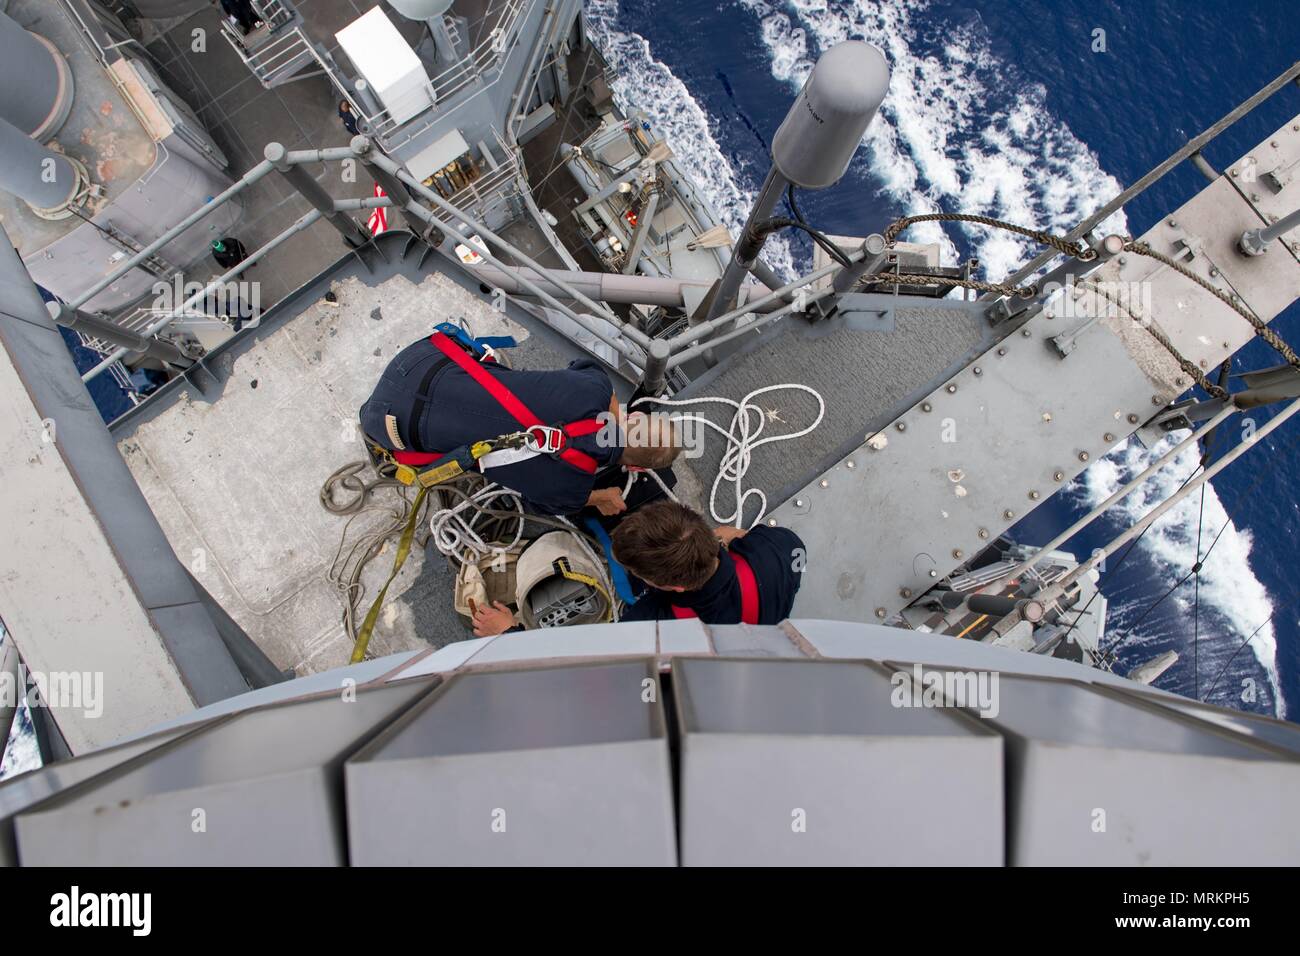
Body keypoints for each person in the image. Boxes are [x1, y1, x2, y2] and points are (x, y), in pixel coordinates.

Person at [359, 329, 682, 517]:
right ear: (636, 469)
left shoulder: (592, 388)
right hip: (386, 425)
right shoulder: (571, 489)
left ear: (636, 416)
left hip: (416, 361)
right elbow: (536, 503)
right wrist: (603, 498)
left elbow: (593, 373)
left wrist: (613, 414)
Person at [612, 500, 805, 625]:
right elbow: (798, 552)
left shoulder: (646, 622)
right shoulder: (780, 548)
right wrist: (736, 539)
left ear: (677, 587)